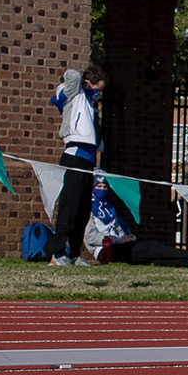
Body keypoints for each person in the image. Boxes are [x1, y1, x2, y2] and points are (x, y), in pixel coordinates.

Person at [44, 66, 106, 266]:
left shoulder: (91, 104)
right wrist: (84, 85)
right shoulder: (74, 93)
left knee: (82, 210)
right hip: (74, 155)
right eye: (98, 88)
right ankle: (58, 252)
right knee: (69, 207)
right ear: (89, 84)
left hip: (89, 158)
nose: (100, 94)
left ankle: (73, 253)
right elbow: (72, 75)